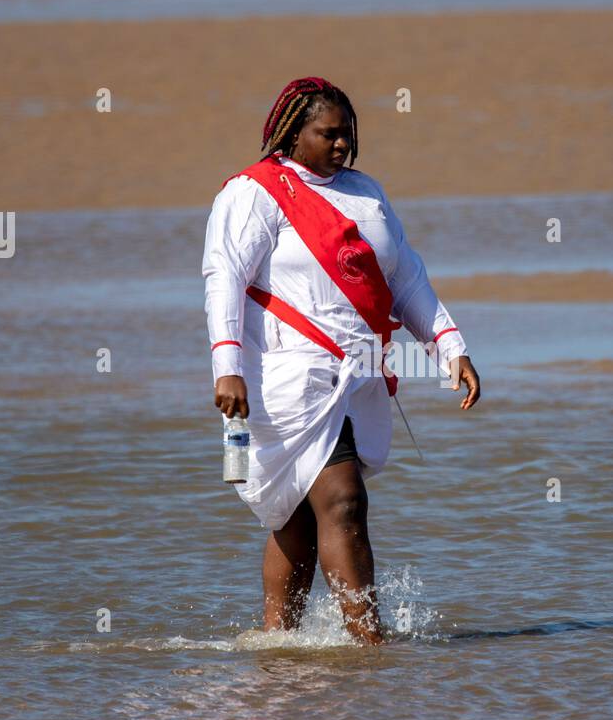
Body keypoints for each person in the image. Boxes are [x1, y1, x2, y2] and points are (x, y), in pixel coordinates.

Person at [202, 76, 480, 645]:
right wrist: (226, 364)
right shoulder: (253, 193)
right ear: (291, 134)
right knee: (344, 499)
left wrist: (450, 345)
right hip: (288, 376)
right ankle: (368, 642)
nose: (341, 147)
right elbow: (223, 278)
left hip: (362, 375)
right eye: (328, 135)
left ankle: (277, 644)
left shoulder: (366, 191)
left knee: (299, 518)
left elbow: (405, 276)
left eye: (347, 136)